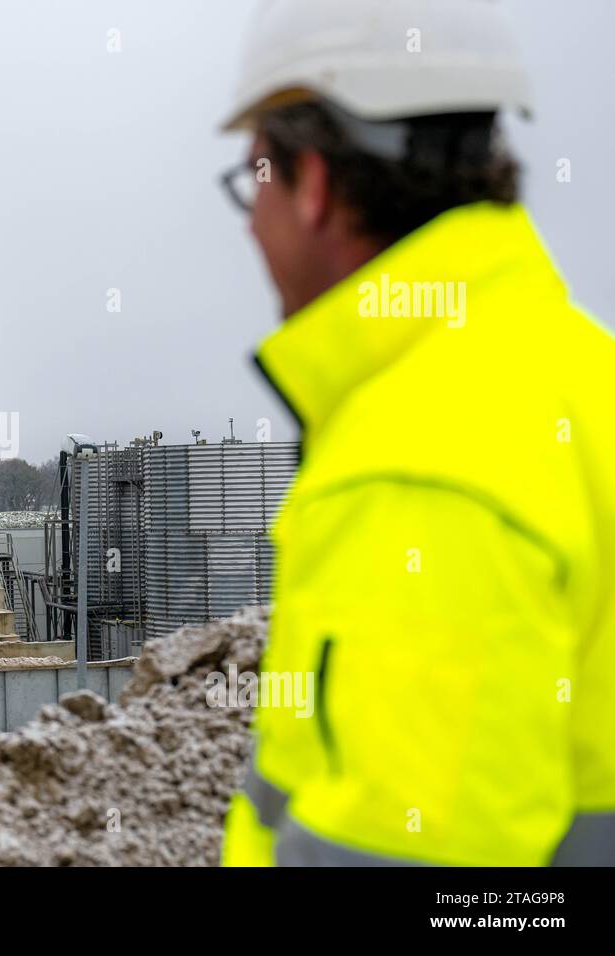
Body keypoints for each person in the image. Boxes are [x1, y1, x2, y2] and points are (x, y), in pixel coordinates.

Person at [218, 0, 615, 865]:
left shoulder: (415, 467)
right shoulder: (587, 376)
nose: (250, 221)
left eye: (255, 181)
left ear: (315, 181)